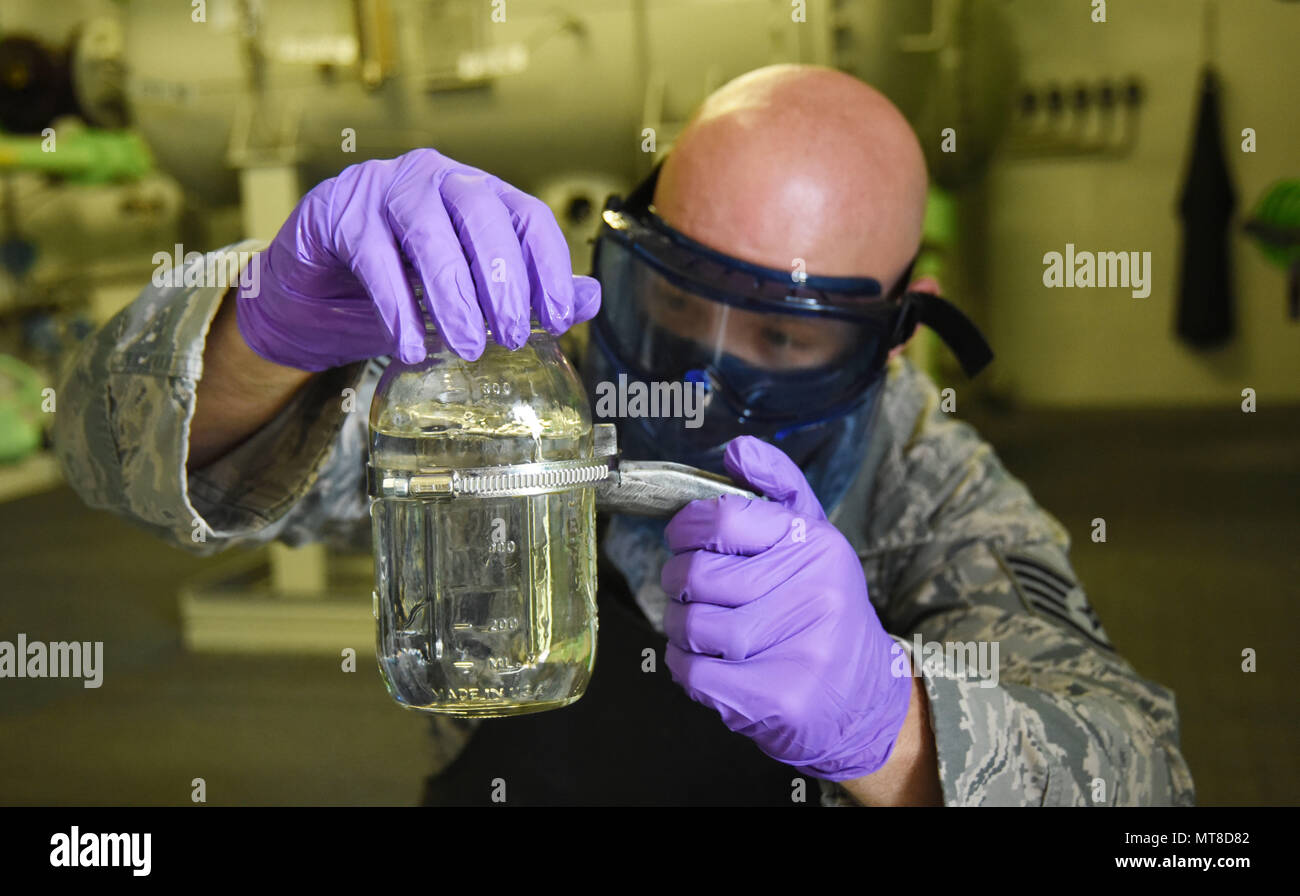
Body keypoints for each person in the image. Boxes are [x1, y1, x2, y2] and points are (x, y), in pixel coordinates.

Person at [53, 64, 1194, 806]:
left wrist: (894, 729)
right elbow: (110, 462)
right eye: (674, 300)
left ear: (893, 335)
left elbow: (1153, 790)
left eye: (781, 334)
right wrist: (262, 333)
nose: (699, 371)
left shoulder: (927, 488)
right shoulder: (519, 398)